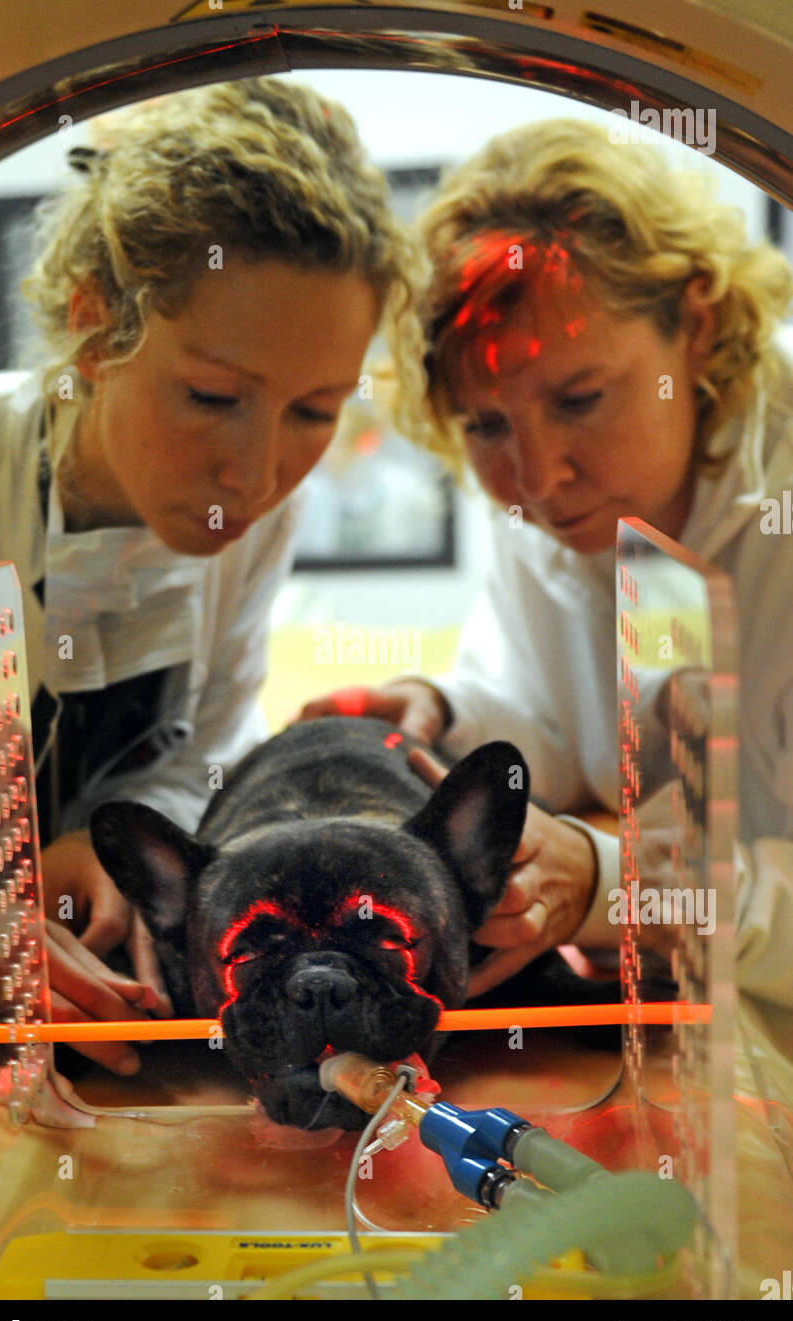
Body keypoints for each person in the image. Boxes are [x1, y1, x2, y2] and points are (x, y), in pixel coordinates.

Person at [0, 77, 423, 1072]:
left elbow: (195, 746)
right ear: (92, 325)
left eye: (313, 411)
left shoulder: (247, 514)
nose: (255, 476)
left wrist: (104, 849)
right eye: (212, 396)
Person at [297, 119, 793, 1008]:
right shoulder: (557, 516)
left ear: (696, 322)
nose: (537, 480)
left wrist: (613, 885)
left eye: (581, 399)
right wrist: (446, 711)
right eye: (485, 425)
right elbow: (562, 739)